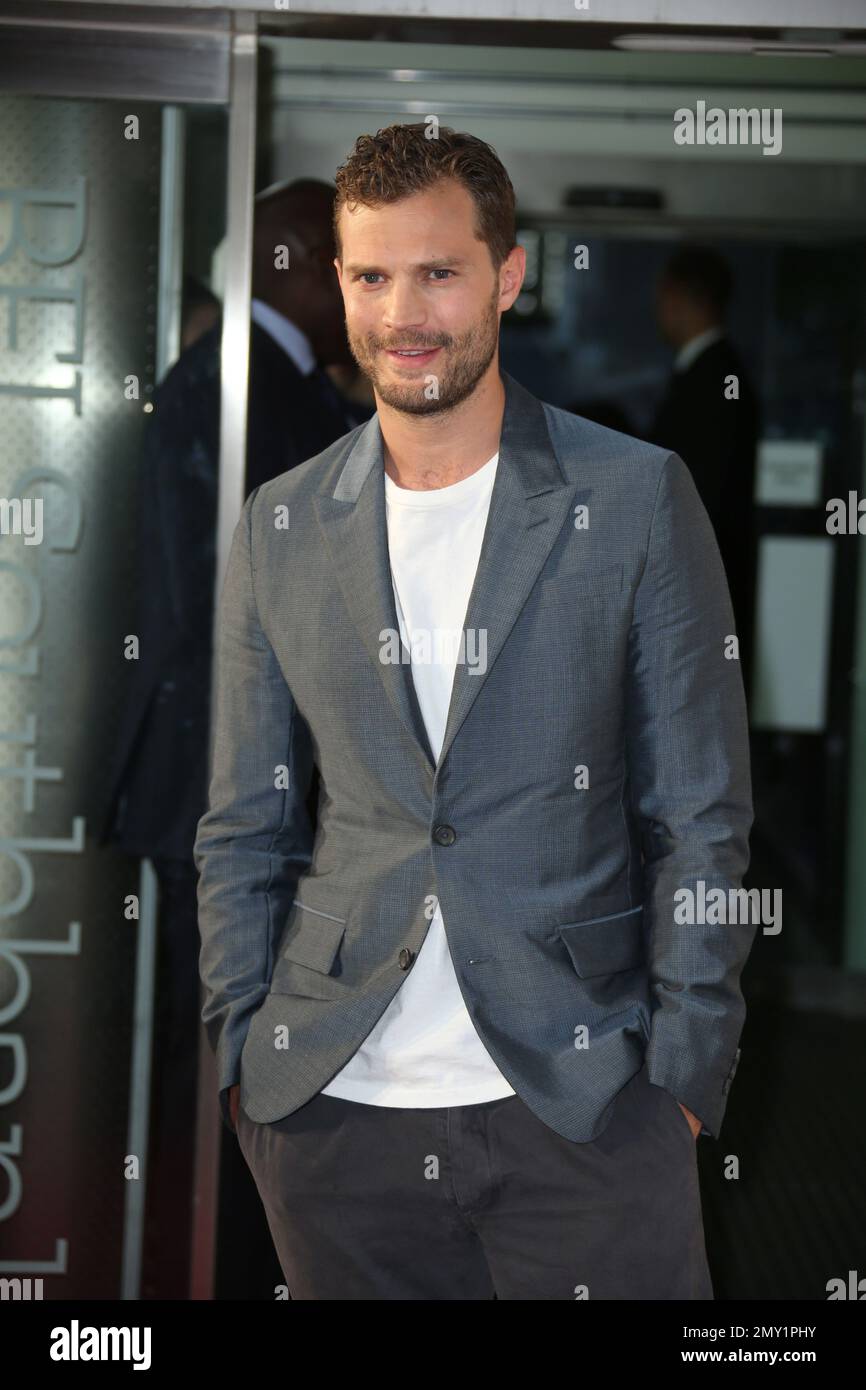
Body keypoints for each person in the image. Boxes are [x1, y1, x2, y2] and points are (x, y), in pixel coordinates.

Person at [194, 124, 755, 1301]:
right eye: (370, 275)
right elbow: (243, 822)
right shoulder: (281, 525)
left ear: (505, 275)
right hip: (337, 1120)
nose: (404, 312)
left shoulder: (635, 497)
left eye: (438, 271)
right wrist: (244, 1050)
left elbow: (699, 812)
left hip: (590, 1109)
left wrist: (687, 1072)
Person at [98, 178, 358, 1298]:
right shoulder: (248, 395)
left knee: (246, 1069)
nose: (363, 287)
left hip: (230, 787)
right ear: (294, 259)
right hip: (235, 794)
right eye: (351, 260)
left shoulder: (249, 387)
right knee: (247, 1077)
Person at [650, 245, 760, 694]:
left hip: (699, 594)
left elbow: (700, 495)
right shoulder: (717, 375)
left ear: (678, 297)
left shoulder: (712, 382)